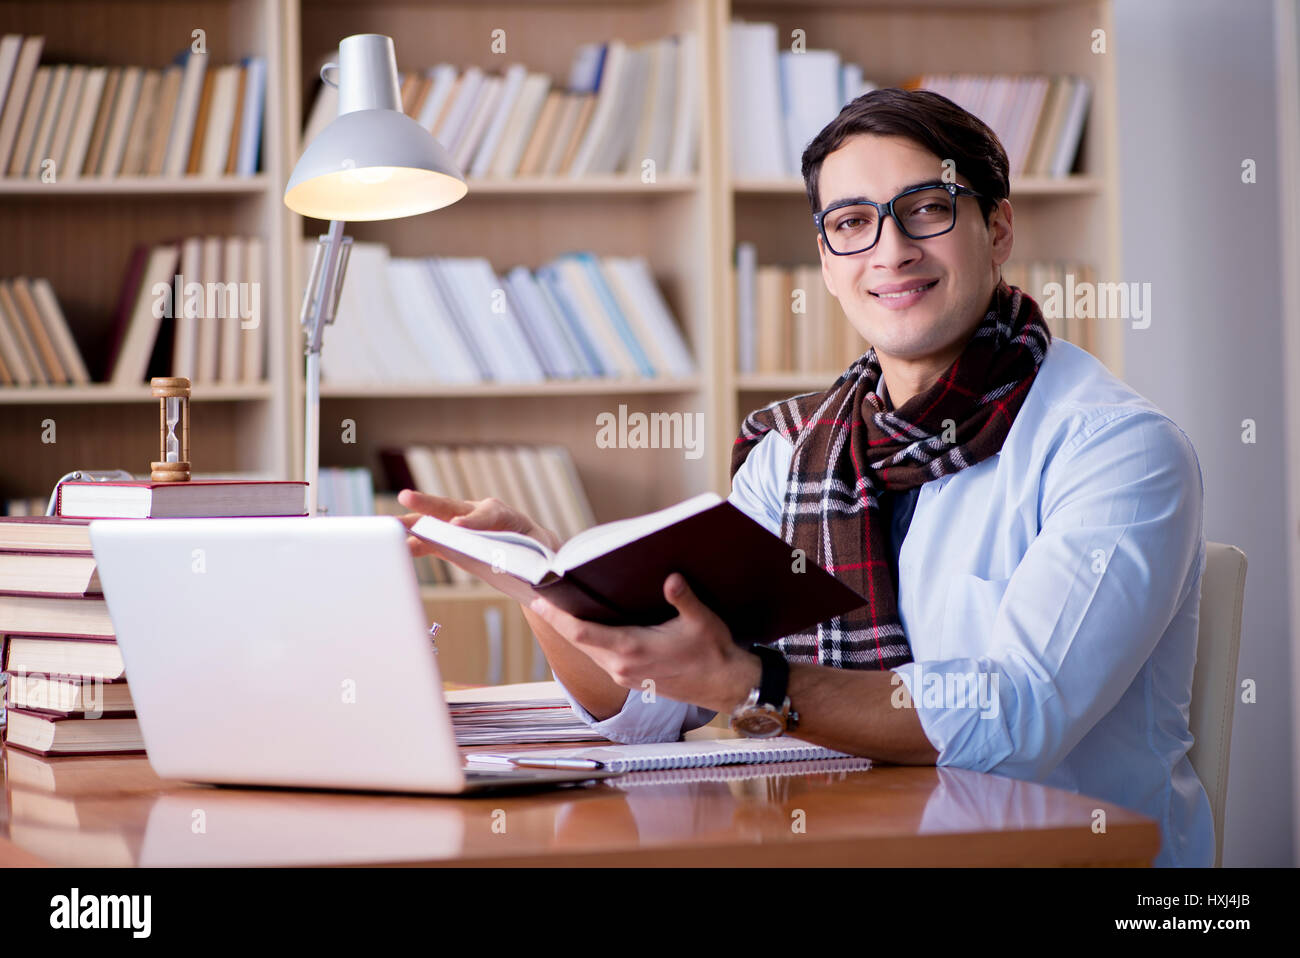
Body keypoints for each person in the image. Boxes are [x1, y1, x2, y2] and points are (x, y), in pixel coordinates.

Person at [397, 88, 1214, 867]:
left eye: (927, 209)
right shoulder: (792, 453)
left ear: (997, 228)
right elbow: (647, 715)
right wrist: (552, 590)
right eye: (853, 223)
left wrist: (759, 681)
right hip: (835, 840)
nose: (891, 251)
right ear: (827, 262)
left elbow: (1016, 715)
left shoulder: (1117, 447)